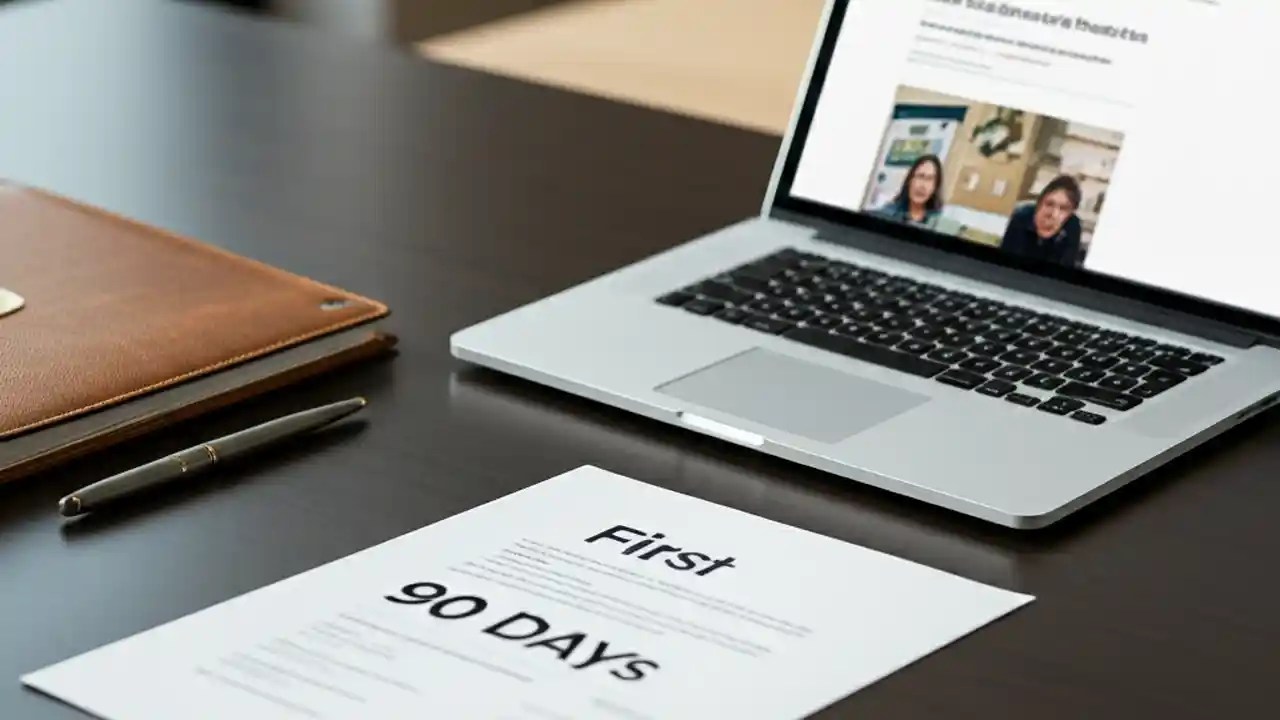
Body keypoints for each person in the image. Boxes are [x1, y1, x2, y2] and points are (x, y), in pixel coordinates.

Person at [999, 175, 1086, 267]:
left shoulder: (1073, 227)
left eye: (1063, 209)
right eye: (1049, 204)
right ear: (1039, 203)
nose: (1054, 214)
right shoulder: (1022, 217)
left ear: (1070, 214)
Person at [872, 154, 944, 229]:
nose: (923, 185)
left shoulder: (939, 223)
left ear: (935, 187)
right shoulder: (888, 213)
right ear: (910, 180)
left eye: (929, 179)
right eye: (920, 176)